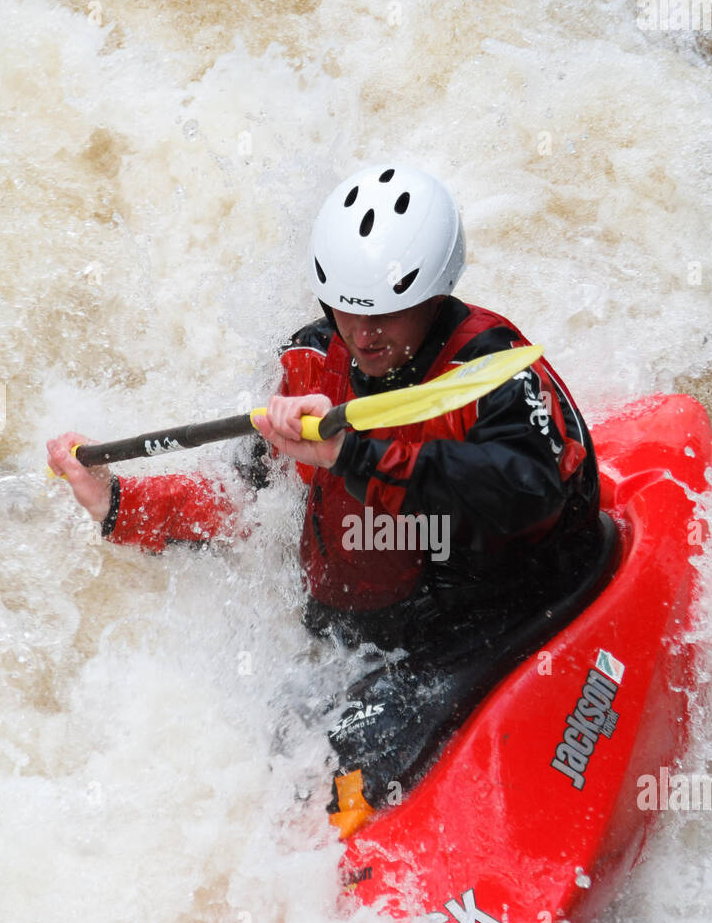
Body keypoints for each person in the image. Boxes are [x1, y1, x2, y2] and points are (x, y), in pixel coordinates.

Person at [47, 162, 608, 835]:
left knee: (333, 780)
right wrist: (118, 504)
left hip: (489, 614)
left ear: (436, 293)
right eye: (350, 310)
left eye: (388, 313)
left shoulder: (495, 375)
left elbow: (525, 494)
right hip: (361, 635)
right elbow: (252, 504)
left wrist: (354, 454)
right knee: (259, 762)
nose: (364, 335)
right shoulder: (307, 364)